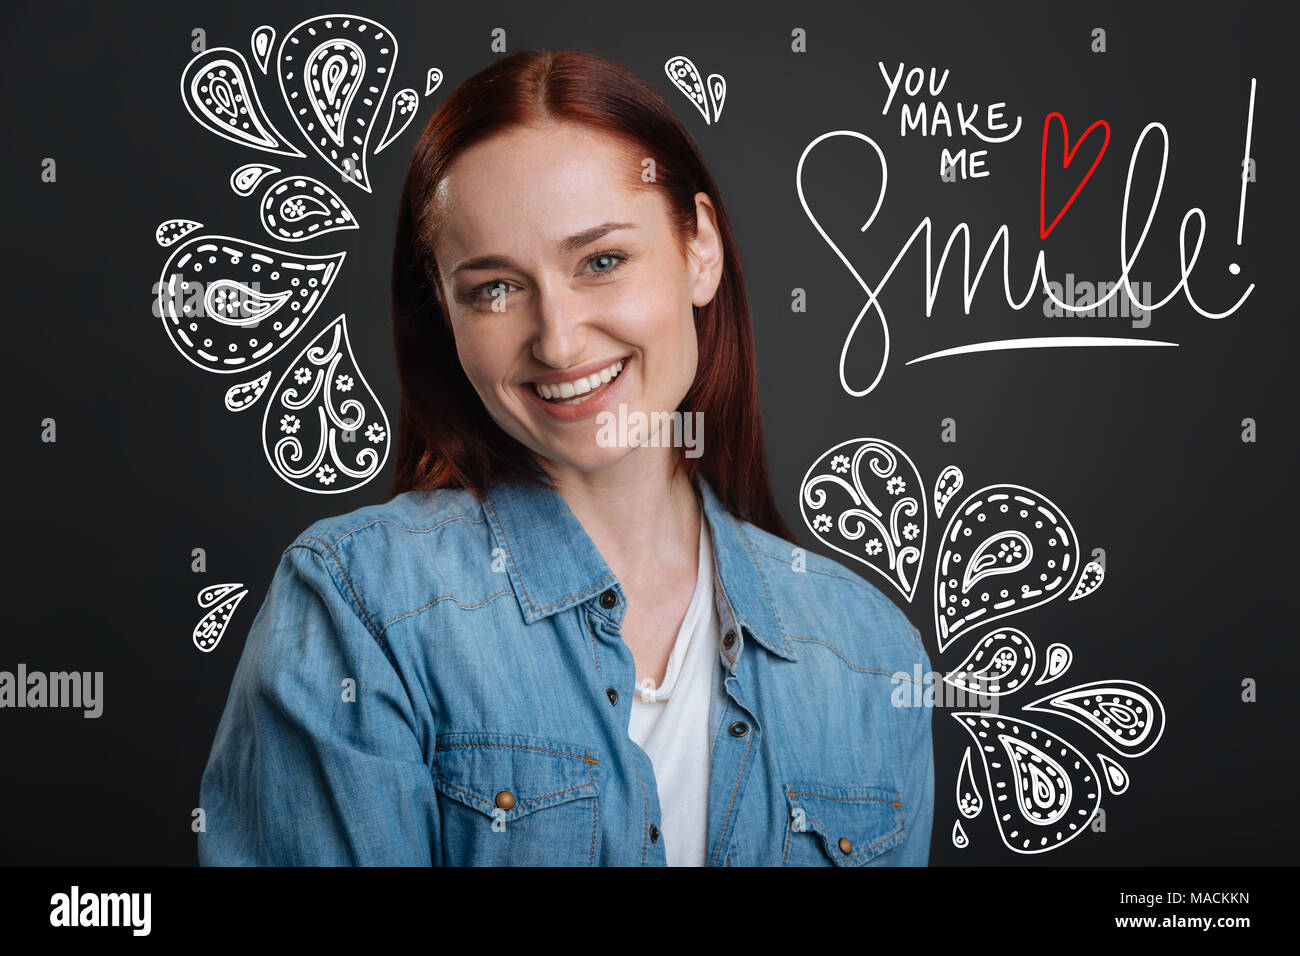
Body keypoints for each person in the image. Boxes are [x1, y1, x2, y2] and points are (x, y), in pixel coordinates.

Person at [197, 49, 933, 866]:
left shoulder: (873, 654)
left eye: (602, 262)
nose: (557, 338)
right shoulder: (356, 607)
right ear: (445, 312)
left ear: (701, 250)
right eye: (494, 289)